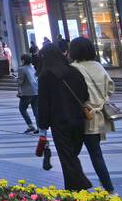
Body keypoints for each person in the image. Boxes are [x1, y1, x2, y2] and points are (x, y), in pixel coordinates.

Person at [34, 44, 93, 191]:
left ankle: (77, 186)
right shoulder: (74, 71)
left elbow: (43, 103)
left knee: (66, 155)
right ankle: (78, 184)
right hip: (79, 119)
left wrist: (43, 126)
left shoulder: (46, 76)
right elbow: (85, 95)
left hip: (59, 121)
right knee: (73, 153)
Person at [68, 37, 115, 192]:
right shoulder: (99, 66)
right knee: (96, 154)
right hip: (99, 116)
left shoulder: (73, 68)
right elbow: (110, 89)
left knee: (72, 154)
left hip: (81, 116)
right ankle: (108, 187)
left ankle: (78, 184)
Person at [16, 54, 40, 133]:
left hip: (27, 93)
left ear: (23, 60)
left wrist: (15, 79)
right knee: (36, 110)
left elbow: (20, 81)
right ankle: (39, 127)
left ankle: (30, 125)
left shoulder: (22, 69)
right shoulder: (32, 68)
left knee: (22, 109)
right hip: (36, 91)